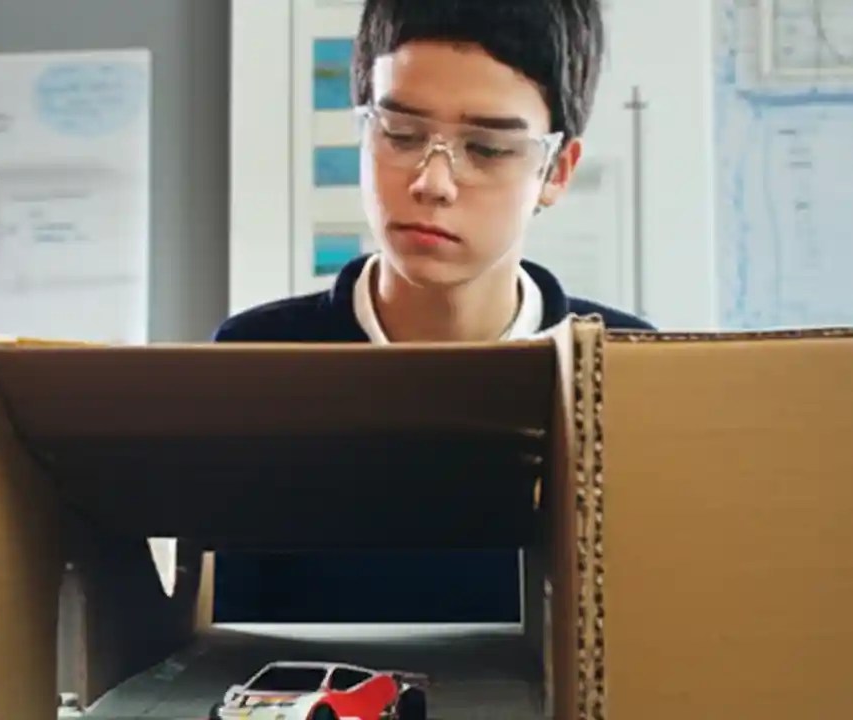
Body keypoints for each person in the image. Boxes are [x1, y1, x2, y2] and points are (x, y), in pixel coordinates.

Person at [211, 0, 655, 623]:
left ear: (556, 172)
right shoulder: (257, 361)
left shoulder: (629, 369)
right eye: (401, 134)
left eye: (488, 148)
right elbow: (223, 653)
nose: (434, 182)